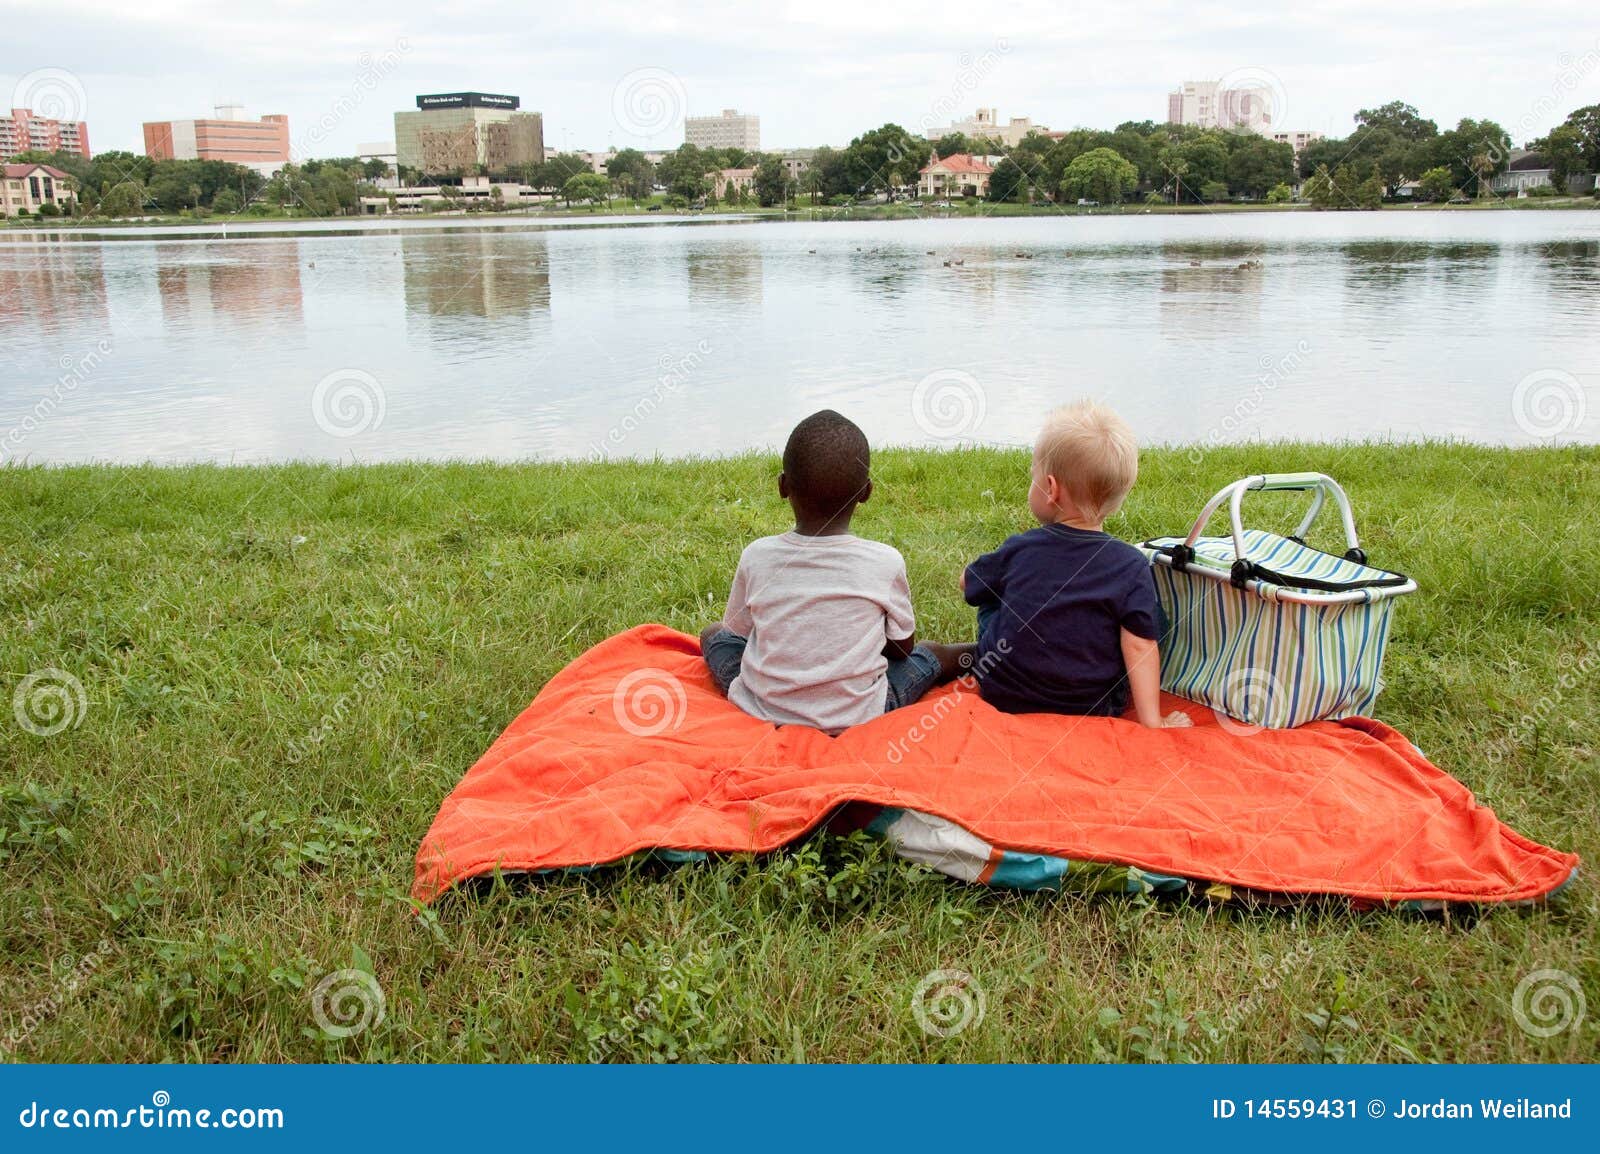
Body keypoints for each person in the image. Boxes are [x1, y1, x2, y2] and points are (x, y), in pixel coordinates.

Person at [699, 410, 972, 734]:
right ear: (867, 492)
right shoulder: (885, 561)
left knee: (714, 634)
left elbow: (740, 633)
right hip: (862, 713)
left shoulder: (757, 555)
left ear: (783, 486)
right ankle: (988, 651)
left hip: (764, 711)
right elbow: (903, 649)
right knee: (930, 655)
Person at [961, 400, 1192, 729]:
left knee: (989, 598)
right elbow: (1139, 643)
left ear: (1051, 489)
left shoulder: (1020, 548)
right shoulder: (1130, 564)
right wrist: (1153, 721)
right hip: (1093, 706)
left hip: (1004, 692)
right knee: (1155, 621)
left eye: (1033, 477)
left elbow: (965, 583)